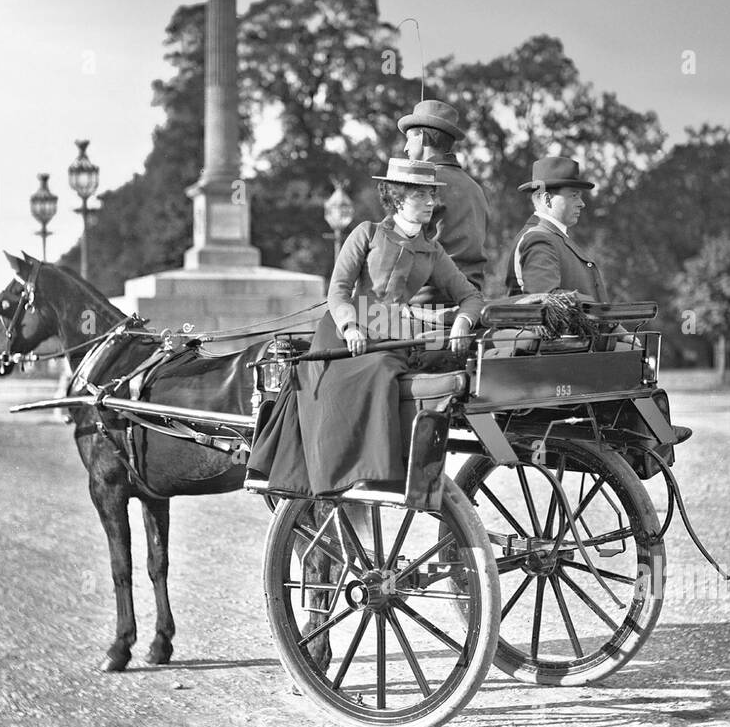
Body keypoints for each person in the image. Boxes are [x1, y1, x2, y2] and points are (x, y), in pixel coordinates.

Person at [248, 158, 483, 497]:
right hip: (346, 331)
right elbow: (337, 291)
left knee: (386, 368)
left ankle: (374, 471)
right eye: (421, 195)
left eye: (432, 194)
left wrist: (463, 320)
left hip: (391, 332)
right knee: (374, 370)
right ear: (398, 198)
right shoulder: (367, 233)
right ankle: (340, 468)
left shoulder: (432, 251)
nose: (431, 202)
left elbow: (471, 296)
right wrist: (351, 327)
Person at [398, 99, 490, 300]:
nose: (405, 148)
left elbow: (396, 251)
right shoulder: (476, 188)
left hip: (427, 298)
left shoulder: (421, 184)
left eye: (409, 139)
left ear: (422, 137)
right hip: (471, 297)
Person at [504, 156, 609, 302]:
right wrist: (599, 312)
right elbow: (547, 301)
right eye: (574, 195)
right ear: (547, 199)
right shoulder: (538, 238)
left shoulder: (551, 237)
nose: (582, 204)